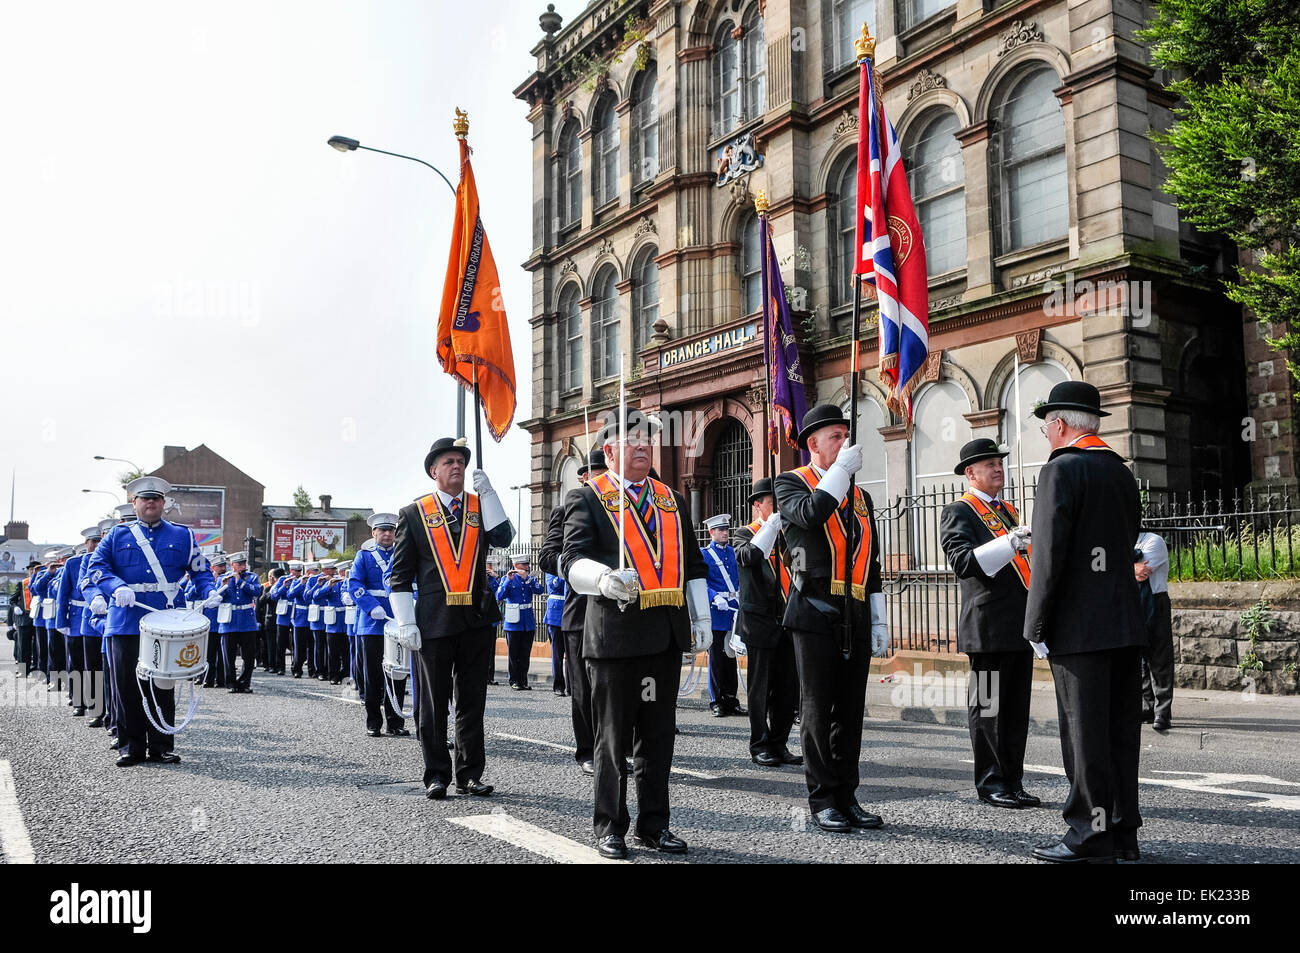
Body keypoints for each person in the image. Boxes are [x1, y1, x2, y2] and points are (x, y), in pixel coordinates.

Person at [561, 410, 712, 859]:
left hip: (663, 636)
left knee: (658, 737)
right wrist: (602, 578)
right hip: (615, 638)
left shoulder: (671, 498)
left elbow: (694, 564)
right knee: (612, 739)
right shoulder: (587, 497)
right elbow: (571, 560)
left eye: (649, 439)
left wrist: (700, 618)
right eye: (634, 439)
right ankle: (610, 825)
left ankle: (654, 825)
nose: (644, 446)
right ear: (610, 451)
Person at [1024, 380, 1145, 864]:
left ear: (1059, 425)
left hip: (1079, 629)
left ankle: (1088, 837)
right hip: (1123, 623)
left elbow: (1048, 557)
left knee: (1084, 737)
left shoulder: (1062, 471)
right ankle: (1123, 835)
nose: (1045, 435)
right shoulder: (1121, 472)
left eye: (1045, 427)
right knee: (1120, 735)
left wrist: (1035, 625)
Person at [774, 403, 889, 834]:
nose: (845, 442)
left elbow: (871, 561)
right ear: (813, 445)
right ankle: (822, 797)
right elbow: (809, 515)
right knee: (818, 707)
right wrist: (840, 472)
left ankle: (847, 794)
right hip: (813, 608)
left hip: (854, 608)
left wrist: (878, 618)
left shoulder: (862, 497)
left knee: (851, 710)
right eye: (835, 436)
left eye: (845, 435)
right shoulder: (790, 484)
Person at [388, 437, 514, 799]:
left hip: (476, 619)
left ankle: (470, 773)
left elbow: (504, 538)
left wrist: (489, 494)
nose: (457, 466)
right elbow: (400, 575)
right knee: (432, 703)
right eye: (448, 461)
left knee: (473, 701)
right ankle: (436, 774)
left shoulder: (479, 507)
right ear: (434, 470)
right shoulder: (414, 513)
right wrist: (405, 622)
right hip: (433, 622)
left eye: (460, 460)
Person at [83, 475, 217, 767]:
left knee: (163, 685)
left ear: (164, 503)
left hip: (167, 621)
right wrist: (115, 587)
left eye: (156, 499)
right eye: (145, 499)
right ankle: (131, 748)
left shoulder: (182, 535)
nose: (151, 503)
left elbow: (200, 570)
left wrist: (210, 591)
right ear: (135, 503)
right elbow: (96, 569)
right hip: (127, 620)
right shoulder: (117, 536)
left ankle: (161, 747)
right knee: (128, 686)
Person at [939, 438, 1040, 810]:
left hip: (1017, 626)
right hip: (986, 629)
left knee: (1014, 711)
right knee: (988, 710)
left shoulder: (1008, 511)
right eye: (990, 464)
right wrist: (1010, 544)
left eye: (1000, 462)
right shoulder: (959, 512)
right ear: (971, 473)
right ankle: (991, 782)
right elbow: (964, 563)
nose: (999, 468)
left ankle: (1012, 780)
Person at [538, 449, 608, 775]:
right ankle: (588, 751)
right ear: (583, 477)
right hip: (581, 612)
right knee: (583, 688)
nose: (602, 478)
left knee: (615, 687)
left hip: (619, 611)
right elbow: (547, 556)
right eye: (596, 473)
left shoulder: (623, 509)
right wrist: (578, 567)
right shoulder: (565, 510)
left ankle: (615, 747)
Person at [733, 477, 801, 768]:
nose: (779, 509)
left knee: (788, 688)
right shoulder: (744, 534)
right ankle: (759, 744)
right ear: (758, 505)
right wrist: (770, 527)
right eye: (773, 504)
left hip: (788, 619)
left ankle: (779, 742)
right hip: (759, 620)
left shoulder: (786, 535)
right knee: (760, 689)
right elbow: (749, 557)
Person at [348, 515, 409, 737]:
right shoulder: (363, 556)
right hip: (372, 622)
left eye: (391, 531)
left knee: (398, 673)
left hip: (397, 621)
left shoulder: (402, 554)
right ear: (373, 533)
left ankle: (395, 722)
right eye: (382, 531)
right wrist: (370, 605)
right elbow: (354, 583)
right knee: (373, 675)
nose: (387, 534)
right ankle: (373, 722)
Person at [701, 513, 745, 717]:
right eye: (720, 530)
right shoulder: (705, 555)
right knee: (717, 659)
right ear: (711, 532)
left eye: (726, 530)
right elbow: (702, 582)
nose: (725, 533)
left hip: (733, 611)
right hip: (717, 612)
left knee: (731, 656)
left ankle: (731, 699)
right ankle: (716, 701)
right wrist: (713, 597)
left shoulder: (733, 553)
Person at [57, 527, 104, 716]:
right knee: (77, 664)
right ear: (86, 544)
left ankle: (99, 705)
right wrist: (62, 621)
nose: (95, 545)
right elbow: (63, 593)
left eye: (98, 541)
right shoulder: (74, 563)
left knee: (98, 666)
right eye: (91, 542)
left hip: (104, 615)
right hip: (78, 619)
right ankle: (79, 701)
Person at [1135, 529, 1173, 731]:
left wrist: (1119, 566)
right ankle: (1146, 707)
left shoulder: (1153, 541)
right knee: (1139, 661)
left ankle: (1163, 713)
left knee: (1160, 660)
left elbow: (1141, 574)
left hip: (1156, 602)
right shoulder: (1118, 541)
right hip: (1132, 603)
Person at [497, 554, 545, 690]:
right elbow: (500, 595)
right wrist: (507, 580)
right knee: (513, 653)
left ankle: (523, 680)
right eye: (524, 565)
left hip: (527, 621)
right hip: (513, 622)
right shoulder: (508, 579)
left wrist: (528, 579)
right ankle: (514, 680)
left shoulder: (529, 579)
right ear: (516, 565)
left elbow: (540, 590)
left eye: (527, 565)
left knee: (525, 653)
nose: (527, 567)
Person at [216, 552, 262, 694]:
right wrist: (223, 586)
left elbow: (257, 592)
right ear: (233, 565)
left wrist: (241, 582)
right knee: (228, 655)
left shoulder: (252, 577)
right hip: (229, 621)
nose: (242, 566)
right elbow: (216, 598)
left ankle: (244, 683)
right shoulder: (223, 578)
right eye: (239, 564)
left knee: (249, 656)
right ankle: (231, 683)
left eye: (244, 563)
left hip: (247, 622)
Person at [197, 553, 228, 688]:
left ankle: (220, 679)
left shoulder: (227, 579)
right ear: (212, 567)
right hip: (208, 621)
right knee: (207, 653)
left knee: (221, 654)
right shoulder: (206, 581)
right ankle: (207, 679)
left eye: (224, 566)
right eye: (219, 567)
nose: (222, 569)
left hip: (223, 620)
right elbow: (192, 592)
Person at [287, 561, 318, 678]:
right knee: (299, 646)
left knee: (312, 646)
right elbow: (290, 595)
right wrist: (301, 584)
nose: (315, 574)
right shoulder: (296, 582)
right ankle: (297, 669)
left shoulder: (316, 583)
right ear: (308, 572)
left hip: (313, 616)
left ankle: (312, 670)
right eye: (314, 572)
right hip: (300, 617)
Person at [543, 570, 567, 696]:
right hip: (555, 616)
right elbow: (555, 585)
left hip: (571, 613)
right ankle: (559, 685)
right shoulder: (551, 571)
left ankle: (571, 685)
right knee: (557, 654)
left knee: (572, 655)